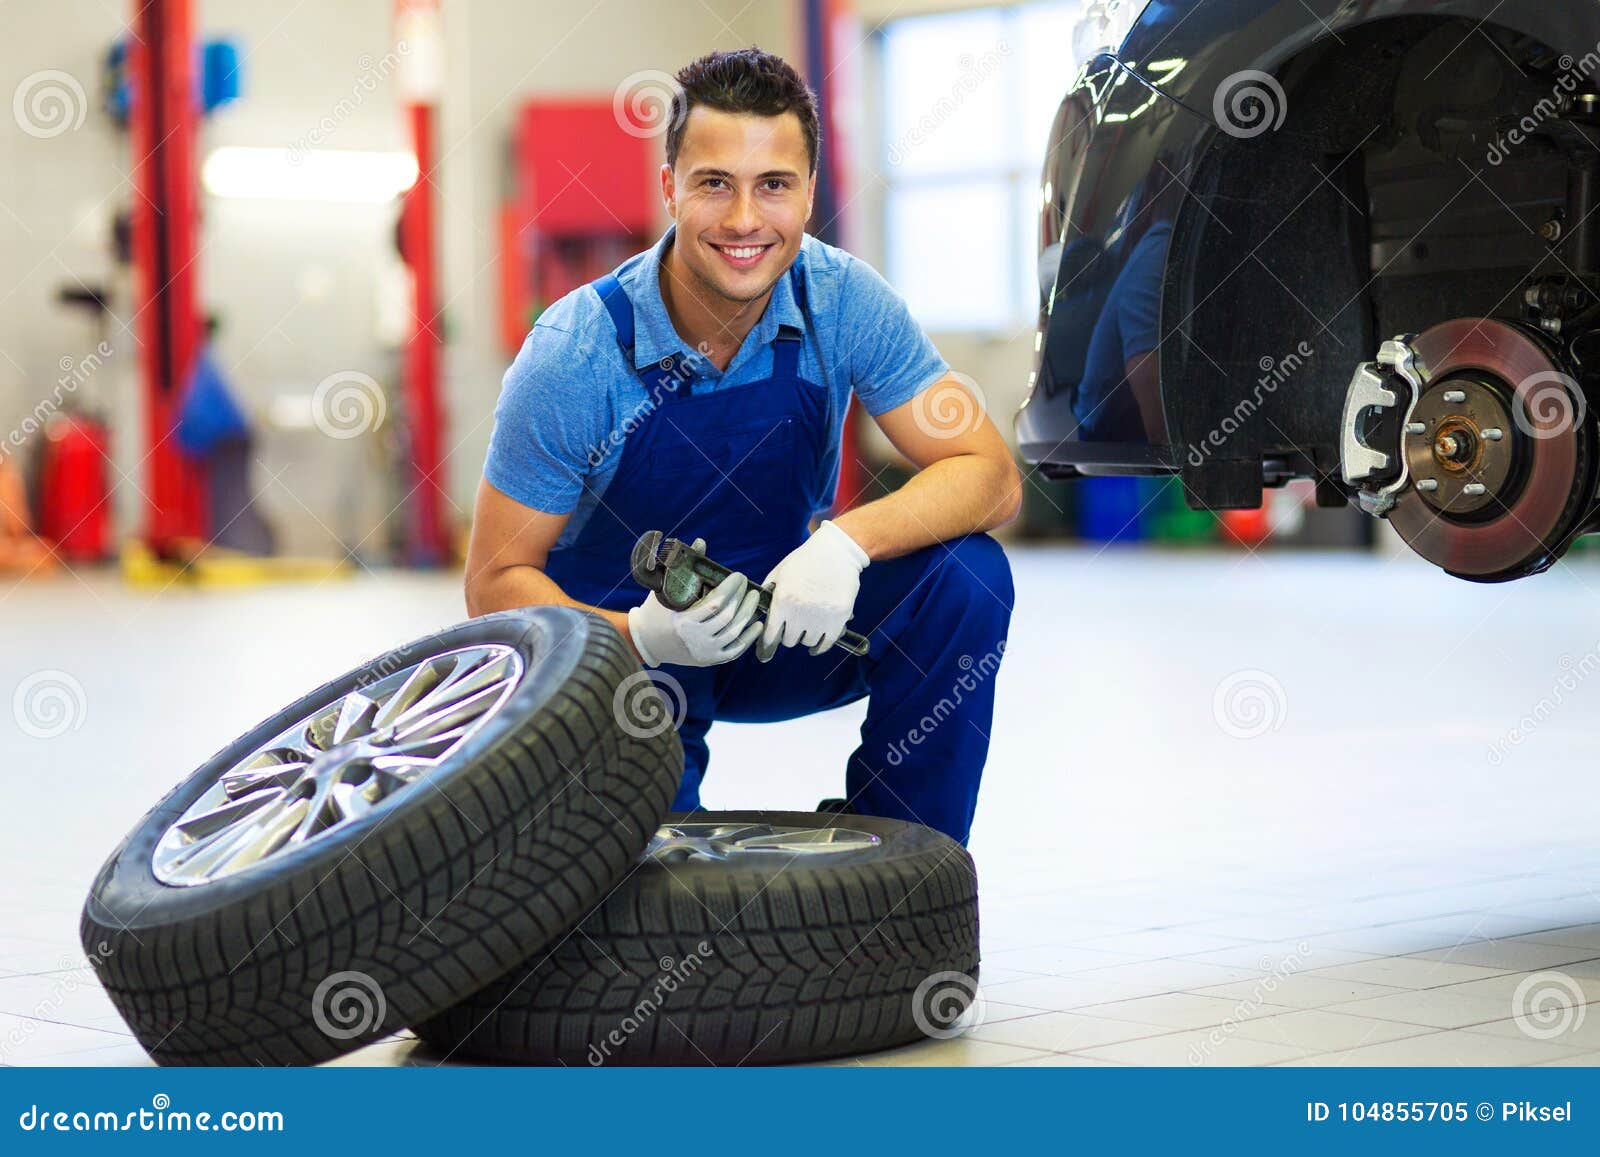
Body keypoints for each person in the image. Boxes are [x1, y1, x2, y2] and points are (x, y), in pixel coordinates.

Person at [466, 47, 1019, 844]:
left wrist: (846, 546)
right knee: (640, 901)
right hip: (621, 658)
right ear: (670, 189)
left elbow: (991, 475)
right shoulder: (576, 353)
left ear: (808, 192)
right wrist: (641, 638)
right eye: (714, 183)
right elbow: (492, 584)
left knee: (967, 579)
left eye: (774, 185)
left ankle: (906, 867)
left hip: (782, 625)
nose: (744, 221)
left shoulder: (844, 299)